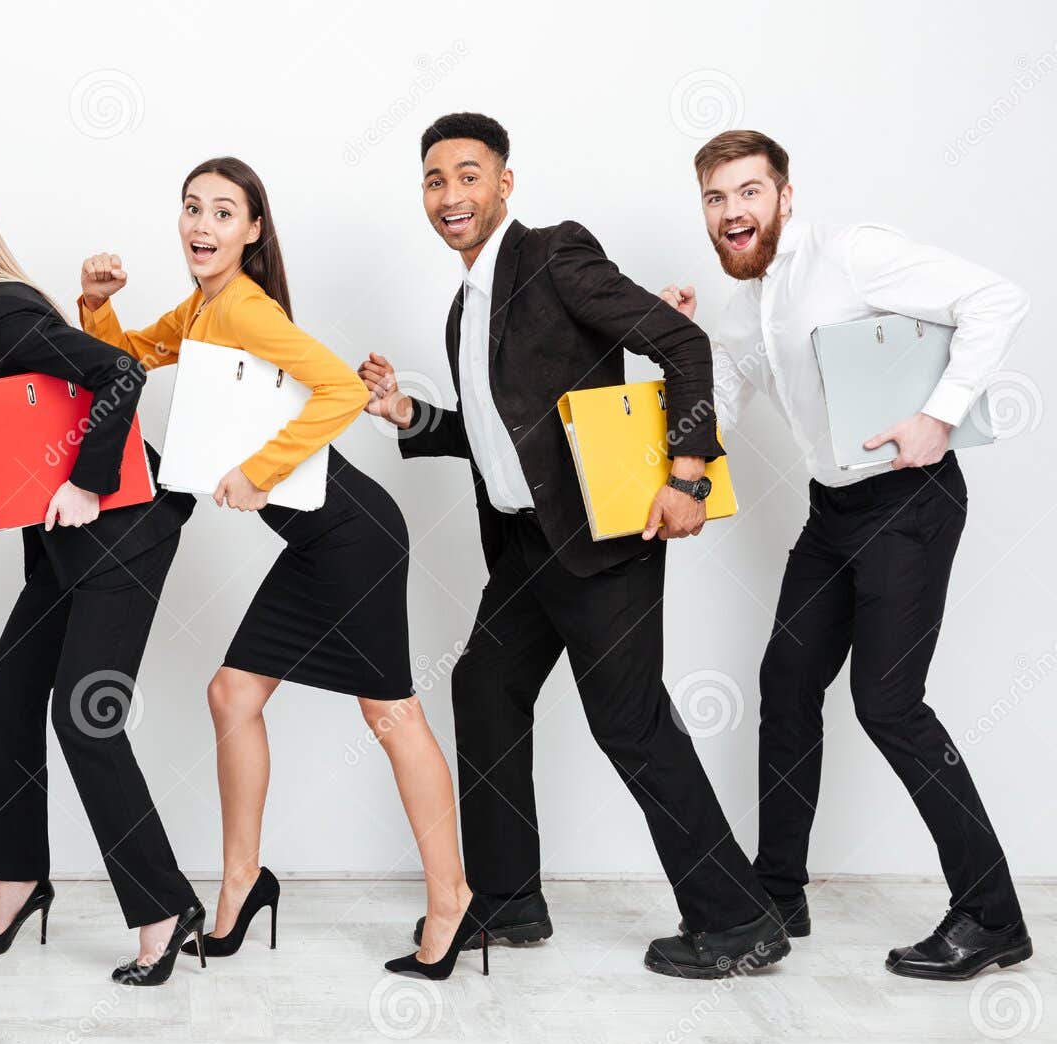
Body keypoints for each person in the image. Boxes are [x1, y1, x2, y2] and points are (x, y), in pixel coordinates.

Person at [362, 111, 788, 978]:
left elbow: (683, 343)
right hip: (525, 547)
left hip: (605, 540)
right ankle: (510, 902)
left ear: (504, 184)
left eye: (470, 175)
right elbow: (501, 433)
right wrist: (413, 416)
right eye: (437, 180)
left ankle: (738, 919)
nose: (453, 195)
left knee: (629, 723)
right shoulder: (463, 307)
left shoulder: (553, 255)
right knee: (484, 685)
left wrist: (689, 471)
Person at [81, 156, 485, 979]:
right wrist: (95, 303)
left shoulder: (248, 309)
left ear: (254, 229)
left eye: (224, 213)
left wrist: (261, 470)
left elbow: (335, 388)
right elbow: (124, 357)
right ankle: (241, 883)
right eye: (192, 208)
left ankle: (454, 902)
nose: (202, 225)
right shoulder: (203, 306)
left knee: (392, 715)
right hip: (314, 543)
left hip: (357, 539)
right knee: (232, 693)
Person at [659, 129, 1033, 980]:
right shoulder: (742, 306)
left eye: (748, 193)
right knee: (786, 686)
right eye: (716, 200)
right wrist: (675, 338)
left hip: (909, 502)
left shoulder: (852, 256)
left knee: (889, 704)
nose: (732, 213)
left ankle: (992, 912)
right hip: (834, 512)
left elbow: (997, 298)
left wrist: (939, 413)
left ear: (785, 196)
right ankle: (777, 895)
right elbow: (714, 410)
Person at [0, 172, 205, 986]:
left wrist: (85, 481)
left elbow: (120, 375)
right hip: (65, 550)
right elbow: (1, 405)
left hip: (120, 534)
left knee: (85, 720)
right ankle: (20, 879)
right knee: (8, 688)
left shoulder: (5, 307)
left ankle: (164, 908)